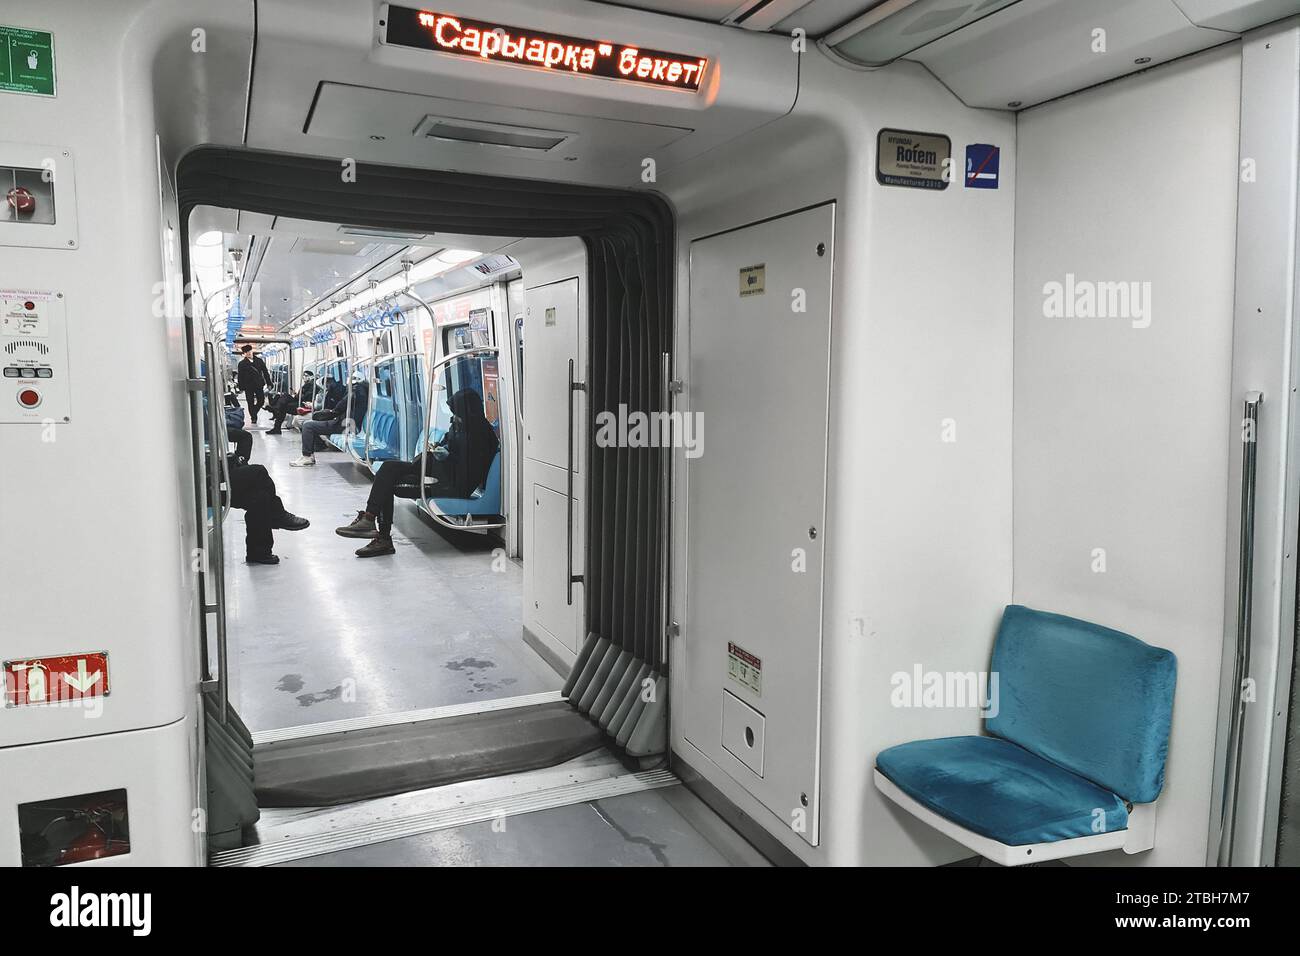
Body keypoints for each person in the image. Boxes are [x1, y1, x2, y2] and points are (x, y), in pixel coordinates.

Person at [336, 388, 499, 557]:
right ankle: (375, 527)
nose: (455, 417)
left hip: (453, 484)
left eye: (457, 412)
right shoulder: (462, 424)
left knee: (388, 472)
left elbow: (468, 467)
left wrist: (446, 456)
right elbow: (449, 445)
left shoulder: (480, 433)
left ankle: (376, 529)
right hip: (441, 474)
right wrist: (441, 450)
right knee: (388, 474)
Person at [227, 462, 310, 565]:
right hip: (207, 479)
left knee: (260, 497)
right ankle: (277, 514)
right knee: (259, 472)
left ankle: (259, 553)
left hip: (214, 472)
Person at [290, 377, 368, 466]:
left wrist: (327, 414)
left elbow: (339, 408)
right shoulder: (360, 392)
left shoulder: (355, 393)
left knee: (308, 426)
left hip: (343, 425)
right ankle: (309, 454)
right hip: (346, 422)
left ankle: (307, 456)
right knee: (309, 423)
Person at [267, 370, 314, 435]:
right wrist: (296, 394)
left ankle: (275, 411)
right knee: (284, 396)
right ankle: (276, 408)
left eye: (305, 376)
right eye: (303, 376)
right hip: (298, 400)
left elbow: (306, 397)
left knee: (283, 406)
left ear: (310, 377)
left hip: (303, 404)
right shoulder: (306, 385)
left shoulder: (311, 385)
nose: (304, 377)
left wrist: (298, 395)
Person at [236, 345, 272, 425]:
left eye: (249, 351)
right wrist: (241, 387)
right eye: (246, 352)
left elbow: (265, 372)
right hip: (248, 385)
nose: (248, 353)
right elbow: (240, 376)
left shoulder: (259, 361)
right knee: (250, 402)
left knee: (261, 400)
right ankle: (253, 418)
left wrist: (269, 383)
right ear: (244, 354)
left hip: (259, 384)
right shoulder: (242, 363)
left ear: (252, 351)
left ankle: (254, 412)